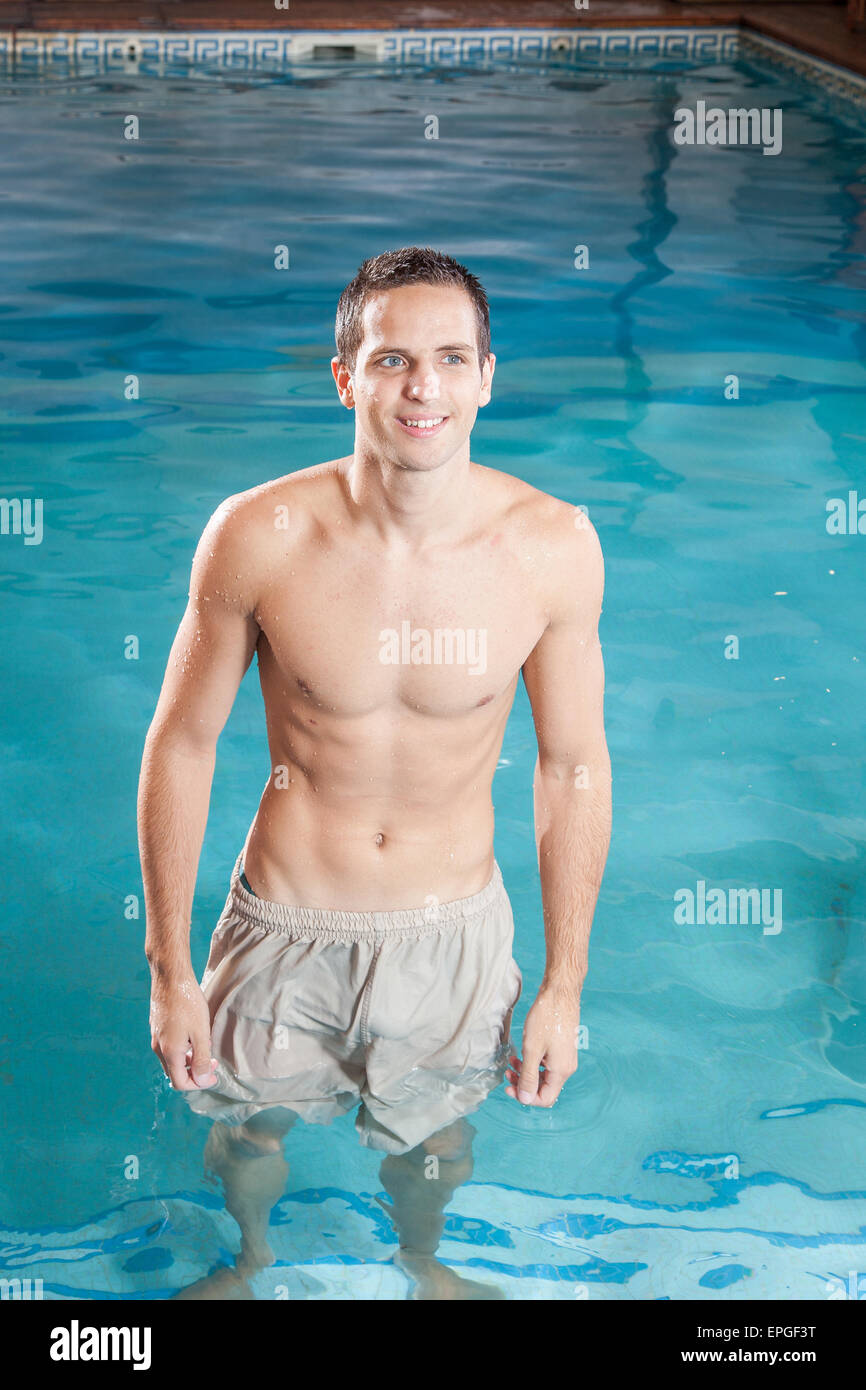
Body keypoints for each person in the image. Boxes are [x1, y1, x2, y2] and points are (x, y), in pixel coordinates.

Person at [139, 245, 611, 1300]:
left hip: (452, 932)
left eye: (450, 358)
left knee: (436, 1133)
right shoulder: (258, 535)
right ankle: (251, 1259)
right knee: (244, 1118)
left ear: (488, 374)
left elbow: (571, 763)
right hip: (283, 919)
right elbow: (182, 741)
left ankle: (419, 1261)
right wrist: (169, 964)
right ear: (345, 376)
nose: (423, 388)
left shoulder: (549, 546)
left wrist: (564, 982)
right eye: (393, 360)